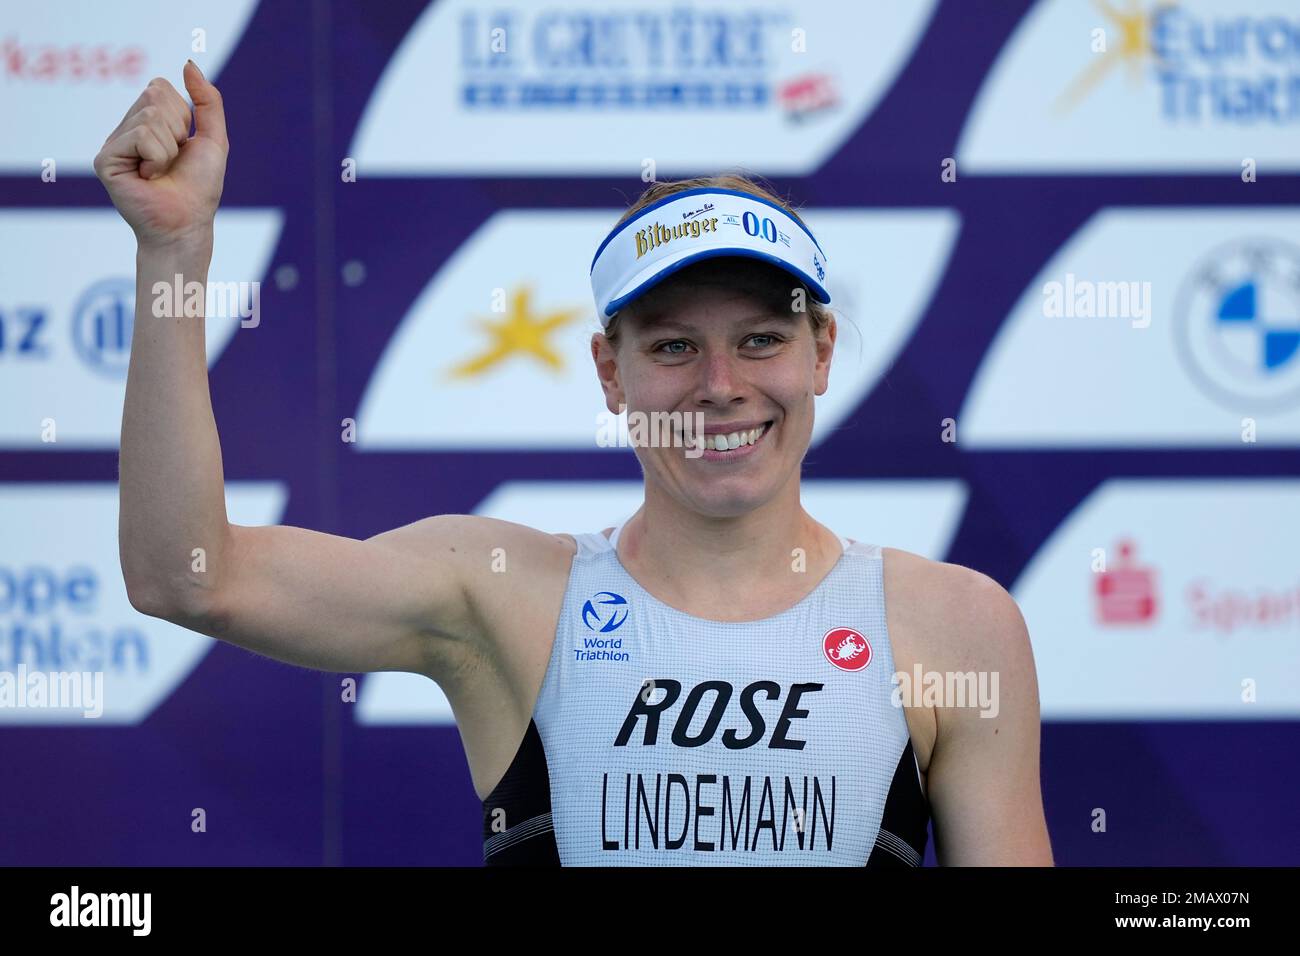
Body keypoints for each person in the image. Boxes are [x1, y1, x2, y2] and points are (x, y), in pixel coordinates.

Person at [96, 61, 1054, 866]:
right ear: (610, 371)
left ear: (822, 353)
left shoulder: (955, 629)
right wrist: (174, 249)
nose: (722, 386)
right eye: (675, 348)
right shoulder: (506, 595)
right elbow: (187, 575)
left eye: (761, 340)